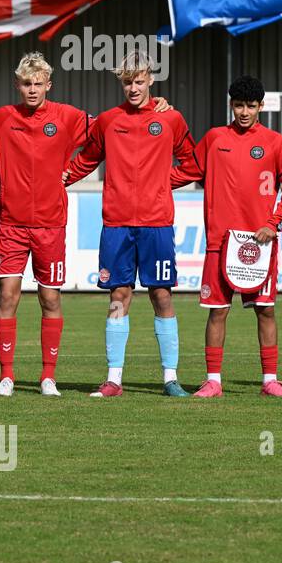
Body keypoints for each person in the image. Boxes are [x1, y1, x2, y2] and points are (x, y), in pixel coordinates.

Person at [0, 52, 171, 397]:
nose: (32, 90)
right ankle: (6, 376)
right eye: (26, 84)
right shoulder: (1, 118)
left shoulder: (69, 117)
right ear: (17, 85)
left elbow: (115, 124)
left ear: (48, 85)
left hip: (51, 224)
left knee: (50, 298)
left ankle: (47, 377)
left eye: (38, 84)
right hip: (11, 223)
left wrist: (159, 106)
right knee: (8, 295)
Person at [64, 52, 197, 398]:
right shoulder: (108, 120)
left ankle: (170, 378)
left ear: (151, 80)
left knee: (162, 295)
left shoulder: (171, 119)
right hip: (117, 223)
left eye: (139, 81)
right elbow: (86, 160)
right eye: (127, 81)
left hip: (157, 223)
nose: (133, 88)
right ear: (120, 82)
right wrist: (58, 179)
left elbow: (194, 163)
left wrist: (162, 181)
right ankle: (114, 379)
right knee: (118, 297)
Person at [169, 76, 282, 398]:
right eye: (239, 105)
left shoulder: (275, 142)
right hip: (220, 242)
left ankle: (270, 380)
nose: (244, 112)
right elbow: (183, 172)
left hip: (260, 243)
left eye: (251, 106)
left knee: (266, 310)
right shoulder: (215, 138)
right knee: (218, 310)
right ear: (231, 105)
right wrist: (143, 180)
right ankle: (213, 380)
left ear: (261, 107)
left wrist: (274, 223)